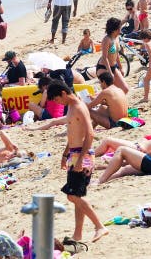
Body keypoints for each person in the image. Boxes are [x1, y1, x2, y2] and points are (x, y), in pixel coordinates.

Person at [47, 80, 109, 242]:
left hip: (83, 156)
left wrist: (81, 160)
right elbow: (73, 133)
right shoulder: (71, 107)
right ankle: (78, 234)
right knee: (76, 195)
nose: (57, 103)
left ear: (63, 93)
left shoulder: (79, 107)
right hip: (75, 155)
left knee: (72, 196)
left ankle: (99, 226)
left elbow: (90, 134)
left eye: (56, 99)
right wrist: (64, 154)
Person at [96, 17, 127, 92]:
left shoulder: (116, 38)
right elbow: (104, 57)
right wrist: (110, 73)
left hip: (113, 67)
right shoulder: (106, 40)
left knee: (125, 89)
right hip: (104, 68)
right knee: (109, 92)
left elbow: (116, 54)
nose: (120, 29)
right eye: (119, 27)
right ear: (115, 29)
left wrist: (121, 67)